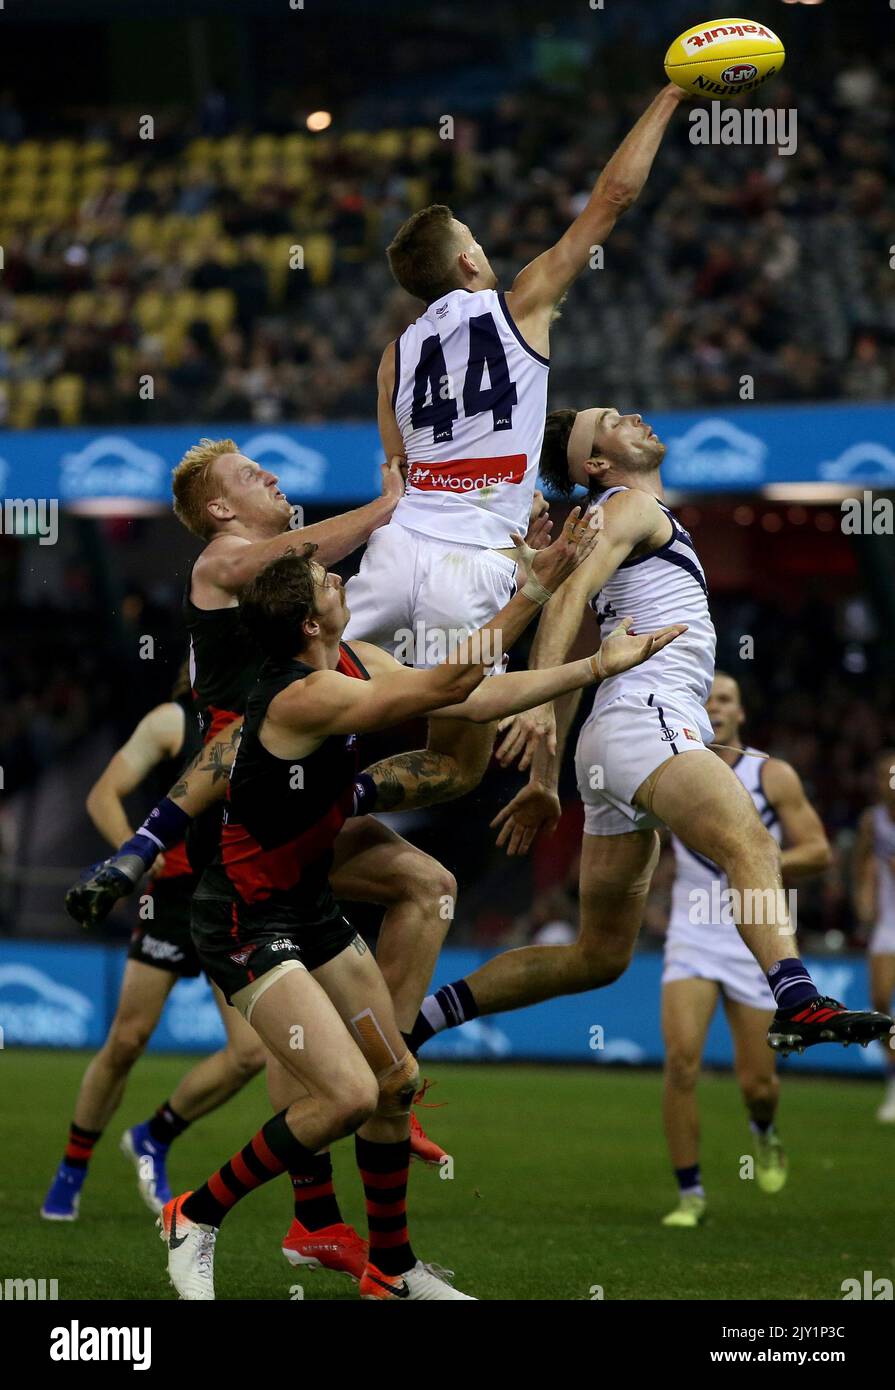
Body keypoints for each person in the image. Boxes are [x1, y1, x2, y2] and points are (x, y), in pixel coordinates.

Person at [160, 514, 683, 1298]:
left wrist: (594, 668)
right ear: (308, 621)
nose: (343, 582)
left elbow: (478, 698)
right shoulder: (304, 696)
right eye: (328, 584)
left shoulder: (351, 658)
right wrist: (531, 592)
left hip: (311, 912)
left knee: (394, 1080)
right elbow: (444, 686)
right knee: (347, 1095)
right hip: (245, 920)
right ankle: (194, 1213)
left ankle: (393, 1273)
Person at [404, 405, 893, 1060]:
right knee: (749, 838)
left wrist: (548, 777)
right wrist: (538, 702)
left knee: (598, 956)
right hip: (647, 714)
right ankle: (796, 998)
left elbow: (577, 637)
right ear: (597, 465)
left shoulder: (627, 526)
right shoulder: (626, 505)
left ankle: (420, 1021)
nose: (631, 415)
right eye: (611, 420)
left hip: (612, 738)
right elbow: (566, 601)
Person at [340, 84, 689, 815]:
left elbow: (395, 476)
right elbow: (613, 197)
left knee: (312, 689)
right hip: (469, 567)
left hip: (395, 547)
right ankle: (342, 800)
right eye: (478, 242)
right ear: (469, 263)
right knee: (457, 761)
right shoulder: (522, 301)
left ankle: (251, 797)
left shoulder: (392, 357)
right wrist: (671, 93)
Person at [42, 677, 265, 1222]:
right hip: (169, 904)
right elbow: (103, 794)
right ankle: (72, 1168)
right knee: (127, 1040)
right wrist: (131, 849)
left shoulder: (273, 713)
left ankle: (153, 1135)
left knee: (251, 1052)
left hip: (232, 902)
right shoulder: (173, 720)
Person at [660, 672, 832, 1228]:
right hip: (692, 932)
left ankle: (764, 1130)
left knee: (758, 1084)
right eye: (707, 696)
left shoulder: (771, 774)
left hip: (757, 932)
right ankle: (690, 1195)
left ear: (741, 713)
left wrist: (753, 858)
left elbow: (820, 850)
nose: (717, 705)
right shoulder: (665, 766)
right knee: (681, 1063)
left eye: (727, 697)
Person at [853, 749, 895, 1122]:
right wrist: (863, 897)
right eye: (883, 775)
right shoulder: (874, 821)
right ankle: (893, 1083)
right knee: (880, 1004)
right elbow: (863, 861)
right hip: (888, 925)